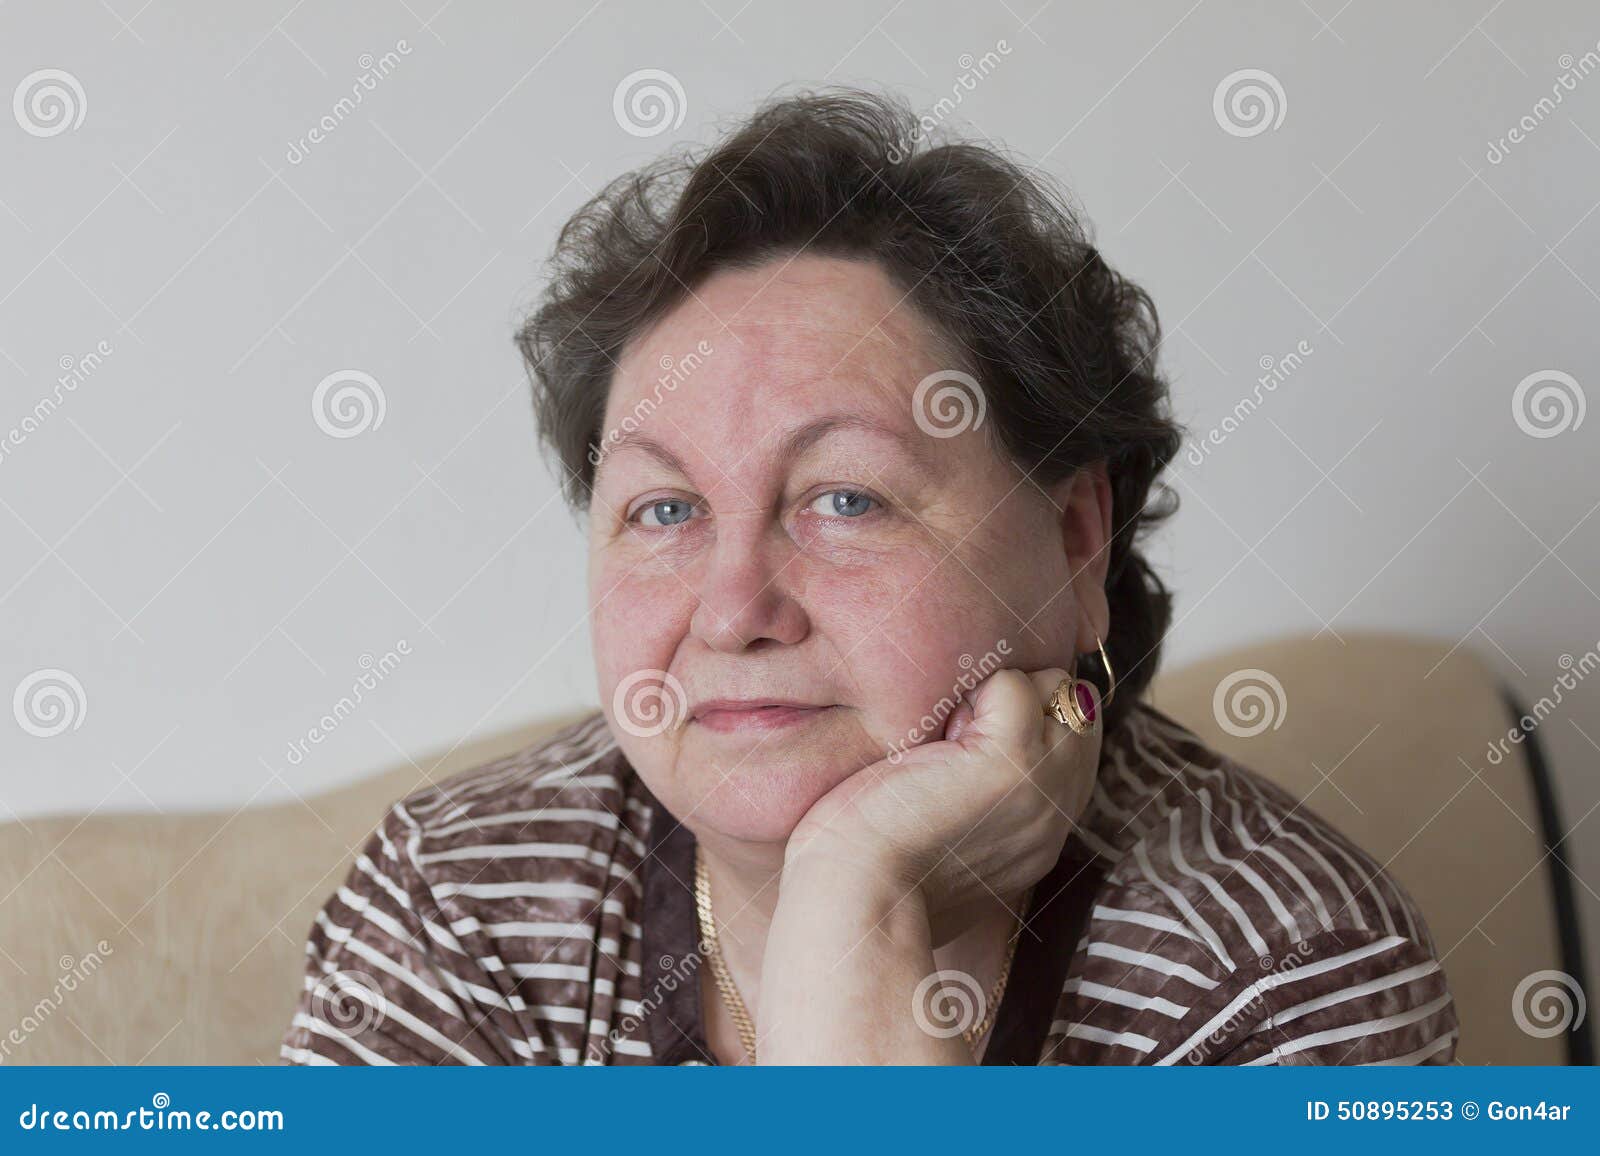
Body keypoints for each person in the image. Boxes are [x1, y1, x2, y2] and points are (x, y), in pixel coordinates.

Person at [280, 89, 1457, 1066]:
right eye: (665, 509)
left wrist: (852, 903)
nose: (733, 612)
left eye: (845, 499)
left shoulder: (1277, 975)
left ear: (1074, 536)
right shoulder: (461, 908)